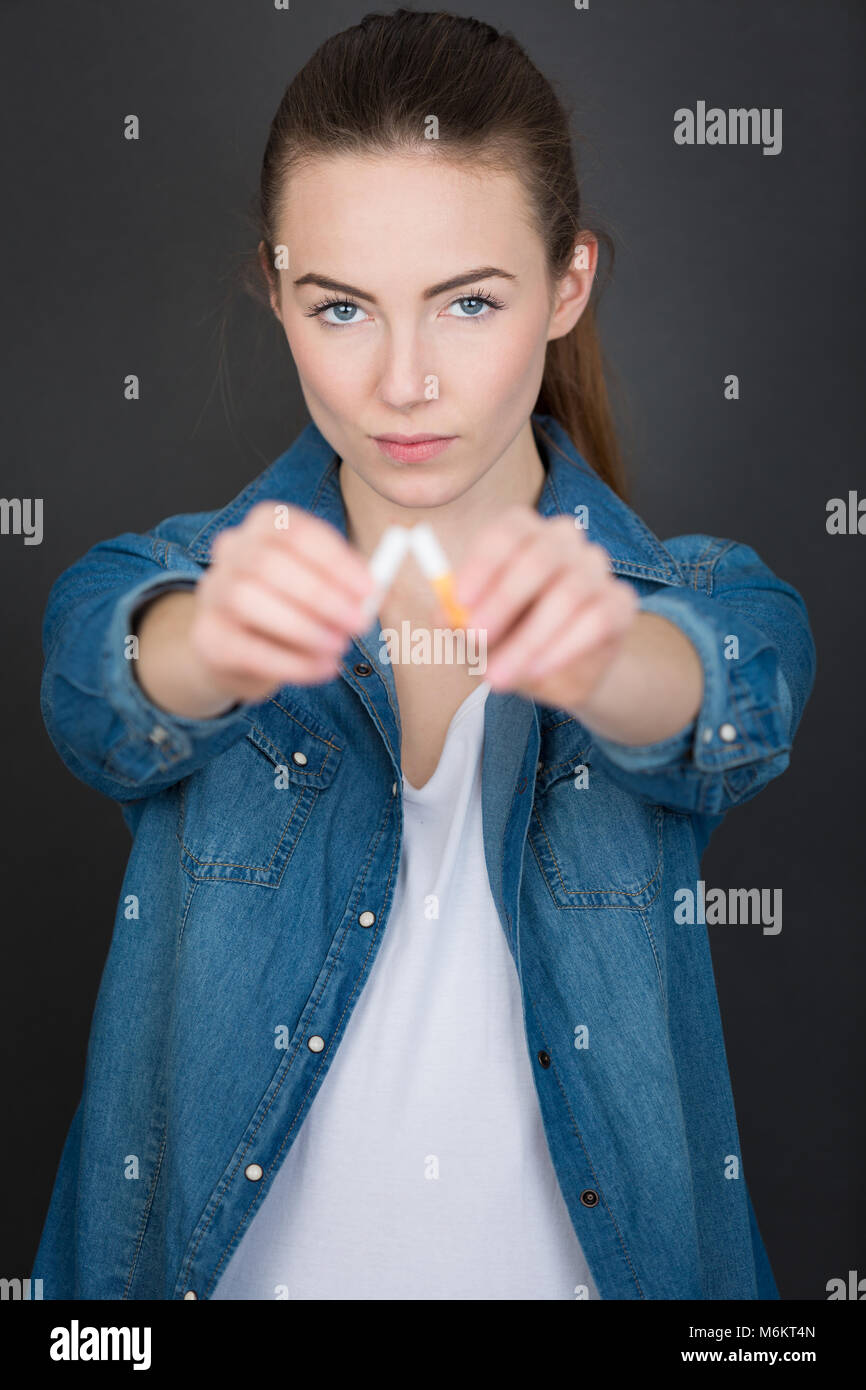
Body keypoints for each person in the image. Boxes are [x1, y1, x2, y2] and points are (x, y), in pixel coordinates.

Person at [32, 9, 815, 1300]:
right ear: (275, 293)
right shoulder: (168, 576)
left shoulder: (693, 594)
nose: (401, 382)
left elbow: (730, 681)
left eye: (466, 302)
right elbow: (96, 670)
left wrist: (609, 659)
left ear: (567, 284)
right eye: (341, 306)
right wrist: (204, 647)